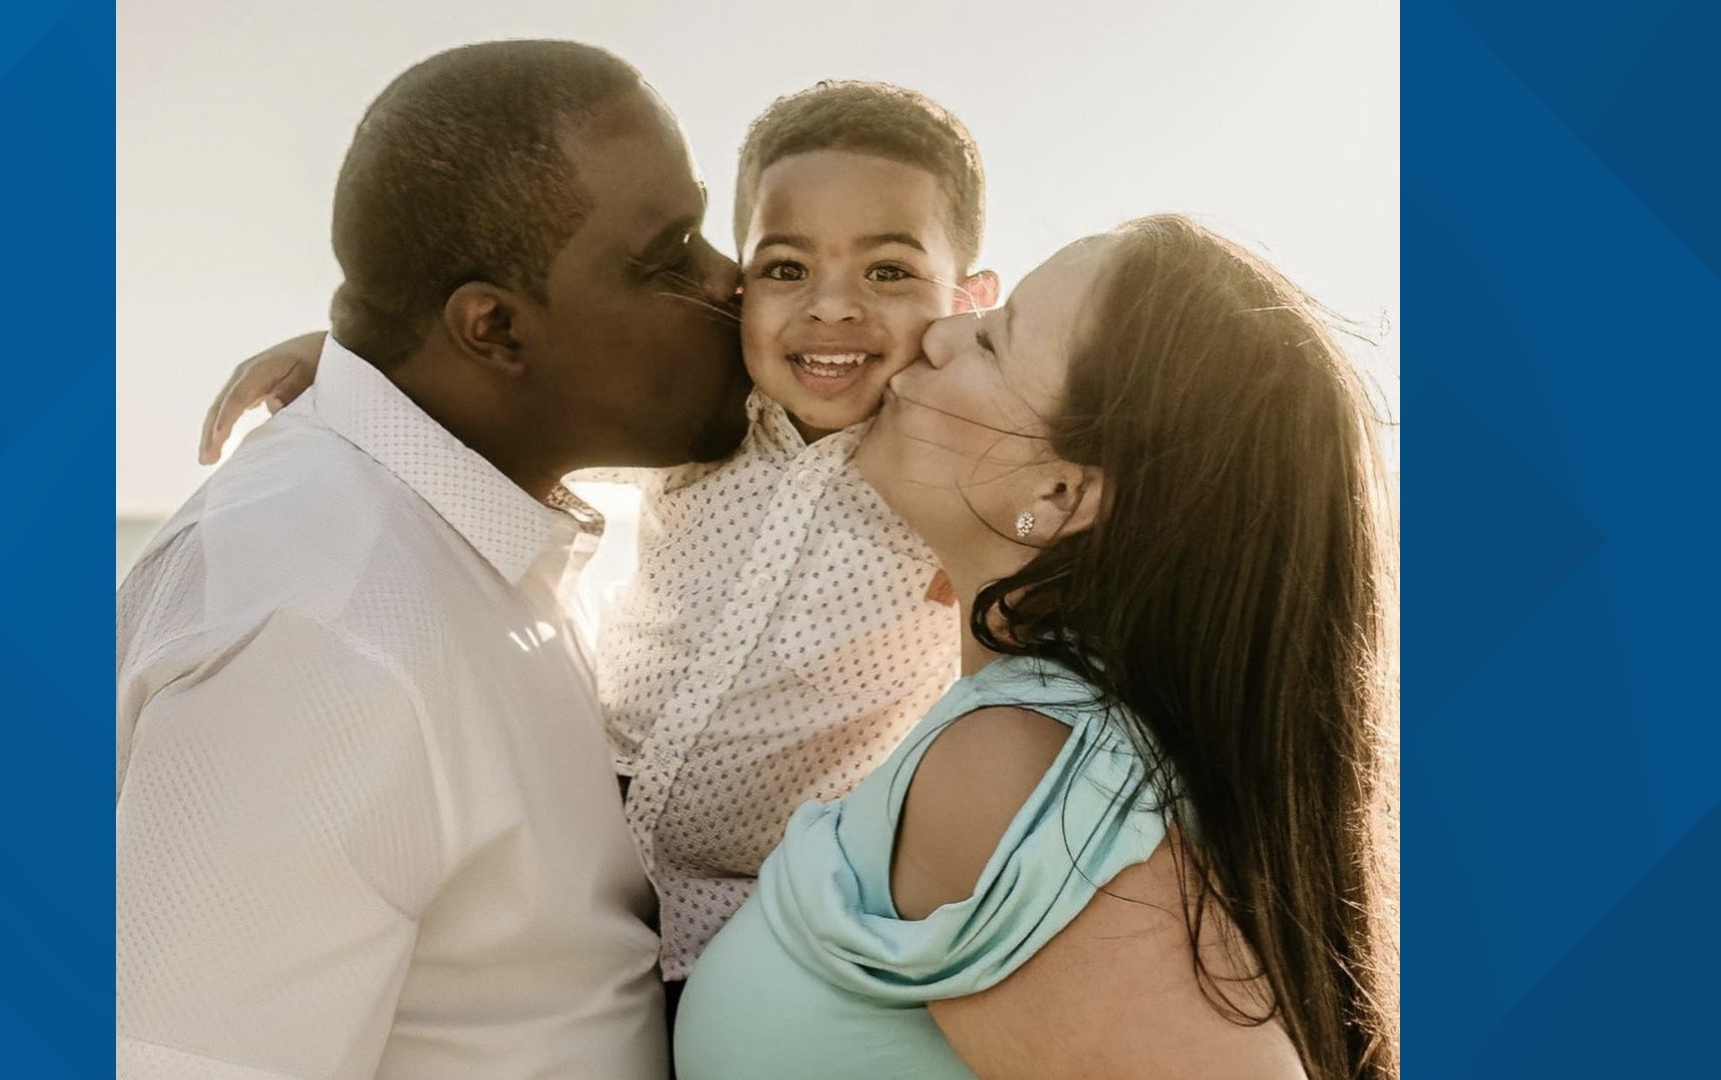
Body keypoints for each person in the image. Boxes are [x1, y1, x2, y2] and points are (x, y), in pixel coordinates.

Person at [199, 81, 1002, 987]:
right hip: (591, 852)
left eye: (887, 272)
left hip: (776, 913)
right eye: (786, 268)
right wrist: (353, 359)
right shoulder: (705, 420)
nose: (832, 308)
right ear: (742, 280)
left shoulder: (962, 470)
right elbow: (497, 405)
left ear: (970, 297)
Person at [116, 41, 749, 1079]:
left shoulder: (470, 525)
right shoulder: (320, 628)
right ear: (493, 328)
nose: (732, 280)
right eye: (670, 253)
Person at [674, 216, 1399, 1079]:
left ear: (1059, 493)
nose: (940, 332)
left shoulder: (1012, 769)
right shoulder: (1055, 750)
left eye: (992, 339)